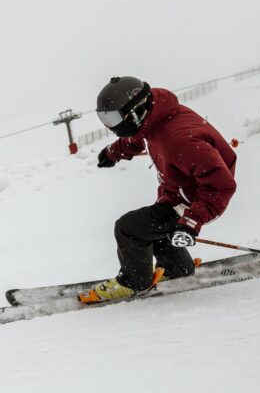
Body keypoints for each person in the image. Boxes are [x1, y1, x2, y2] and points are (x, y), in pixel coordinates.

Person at [80, 76, 237, 303]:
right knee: (154, 226)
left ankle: (133, 283)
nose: (110, 126)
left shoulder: (181, 139)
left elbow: (220, 186)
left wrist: (192, 222)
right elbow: (137, 136)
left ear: (134, 110)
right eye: (105, 118)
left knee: (129, 228)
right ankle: (177, 269)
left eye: (113, 118)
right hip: (178, 191)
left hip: (196, 200)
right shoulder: (153, 116)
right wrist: (113, 153)